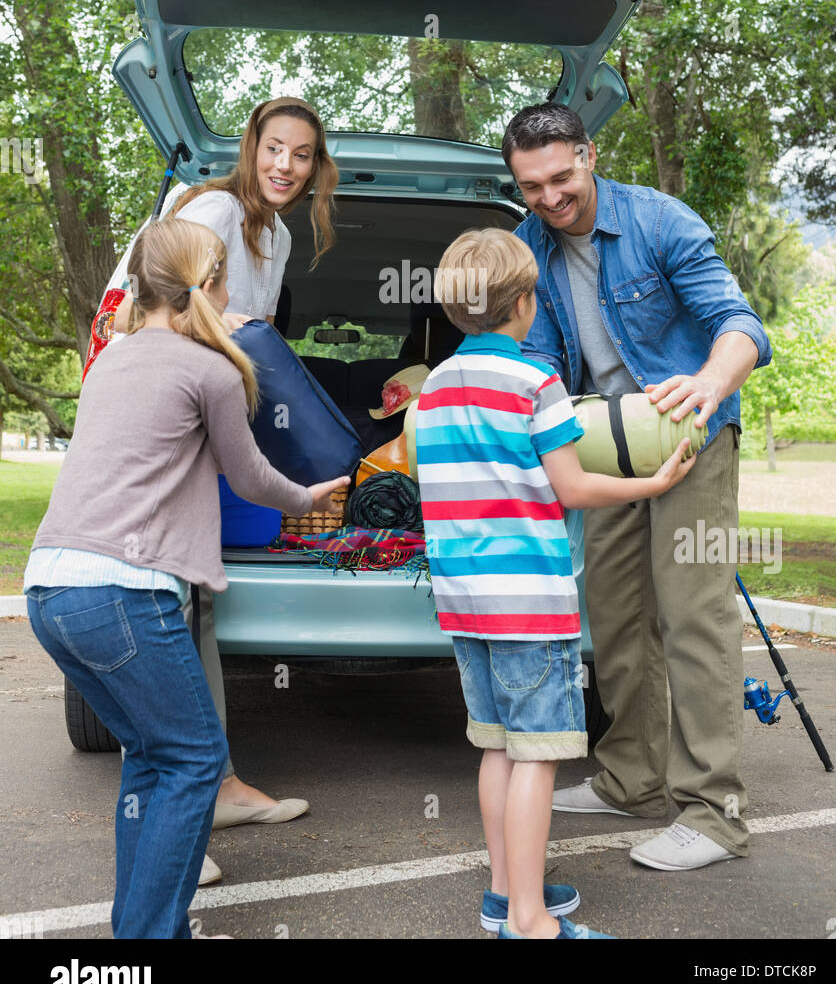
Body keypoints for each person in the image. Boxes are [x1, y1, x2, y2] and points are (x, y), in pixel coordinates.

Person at [24, 218, 349, 938]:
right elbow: (252, 475)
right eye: (225, 276)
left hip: (49, 586)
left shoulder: (114, 357)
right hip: (121, 594)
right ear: (207, 286)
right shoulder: (213, 369)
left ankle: (138, 939)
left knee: (152, 757)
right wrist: (312, 495)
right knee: (197, 761)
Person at [501, 102, 772, 871]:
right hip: (601, 445)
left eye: (561, 177)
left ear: (588, 155)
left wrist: (709, 384)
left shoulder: (659, 222)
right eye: (531, 186)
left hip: (692, 435)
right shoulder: (530, 246)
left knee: (694, 615)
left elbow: (740, 323)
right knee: (616, 618)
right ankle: (631, 776)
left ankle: (712, 813)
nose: (551, 198)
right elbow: (544, 368)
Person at [414, 228, 696, 939]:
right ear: (524, 304)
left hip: (462, 601)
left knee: (495, 746)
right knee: (538, 755)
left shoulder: (435, 386)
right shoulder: (535, 385)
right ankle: (531, 921)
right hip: (528, 603)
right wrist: (650, 481)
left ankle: (505, 894)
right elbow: (570, 486)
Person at [113, 96, 339, 836]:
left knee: (195, 601)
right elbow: (157, 306)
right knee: (162, 606)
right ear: (251, 148)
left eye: (301, 155)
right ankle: (176, 807)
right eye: (274, 148)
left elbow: (252, 339)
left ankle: (220, 784)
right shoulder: (210, 212)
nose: (285, 166)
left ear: (315, 167)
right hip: (168, 415)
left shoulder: (270, 231)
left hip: (205, 422)